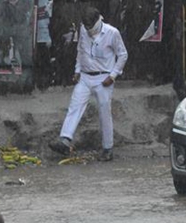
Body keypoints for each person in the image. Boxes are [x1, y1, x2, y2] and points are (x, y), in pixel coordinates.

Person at [49, 7, 128, 162]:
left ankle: (107, 148)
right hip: (85, 76)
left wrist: (113, 76)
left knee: (104, 112)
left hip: (104, 77)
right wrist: (77, 70)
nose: (88, 30)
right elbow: (81, 50)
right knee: (75, 105)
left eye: (90, 26)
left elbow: (123, 55)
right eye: (86, 26)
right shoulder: (83, 30)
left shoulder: (112, 33)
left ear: (98, 20)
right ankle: (65, 139)